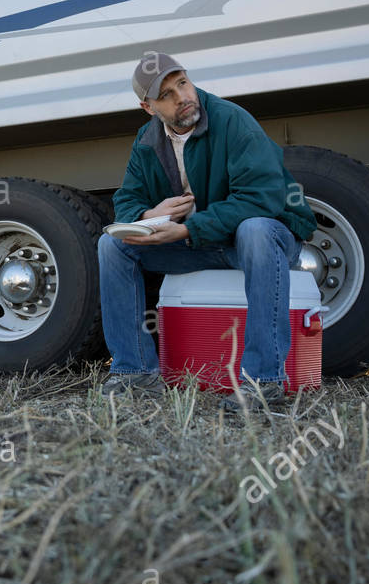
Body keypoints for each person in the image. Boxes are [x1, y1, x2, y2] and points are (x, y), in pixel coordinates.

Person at [97, 51, 317, 410]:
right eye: (166, 94)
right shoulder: (147, 140)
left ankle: (264, 381)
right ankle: (135, 372)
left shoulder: (233, 121)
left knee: (256, 229)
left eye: (182, 82)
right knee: (112, 246)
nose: (182, 96)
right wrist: (151, 214)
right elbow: (126, 199)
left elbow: (262, 199)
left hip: (263, 241)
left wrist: (186, 230)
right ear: (148, 107)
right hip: (202, 245)